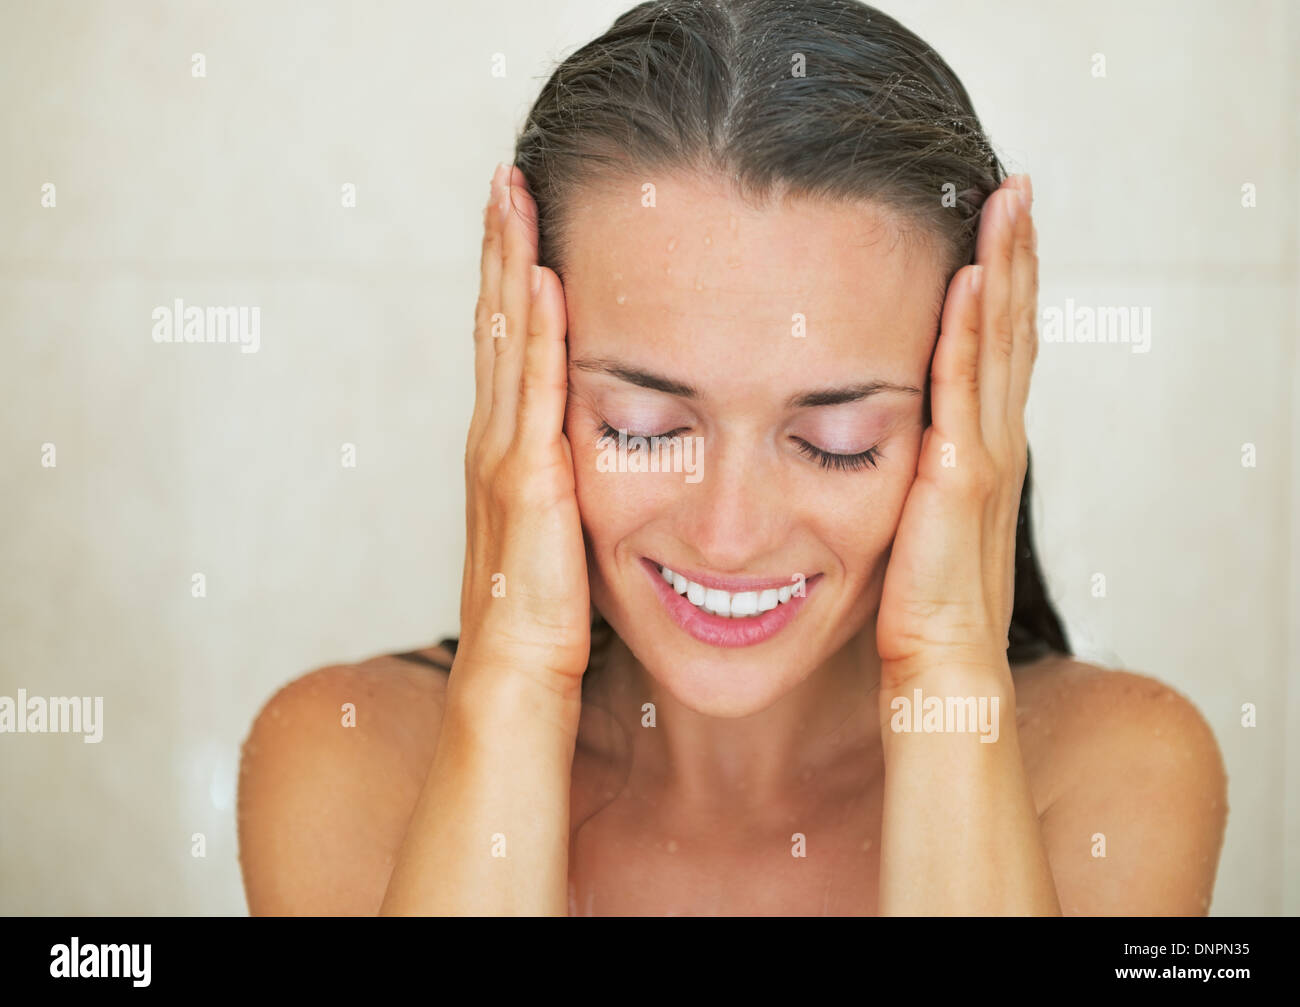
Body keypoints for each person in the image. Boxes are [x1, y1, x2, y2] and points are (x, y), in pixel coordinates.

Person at [237, 0, 1227, 915]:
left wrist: (944, 671)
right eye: (641, 424)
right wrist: (516, 672)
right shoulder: (350, 754)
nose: (729, 531)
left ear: (962, 415)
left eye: (835, 440)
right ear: (522, 384)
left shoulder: (1113, 769)